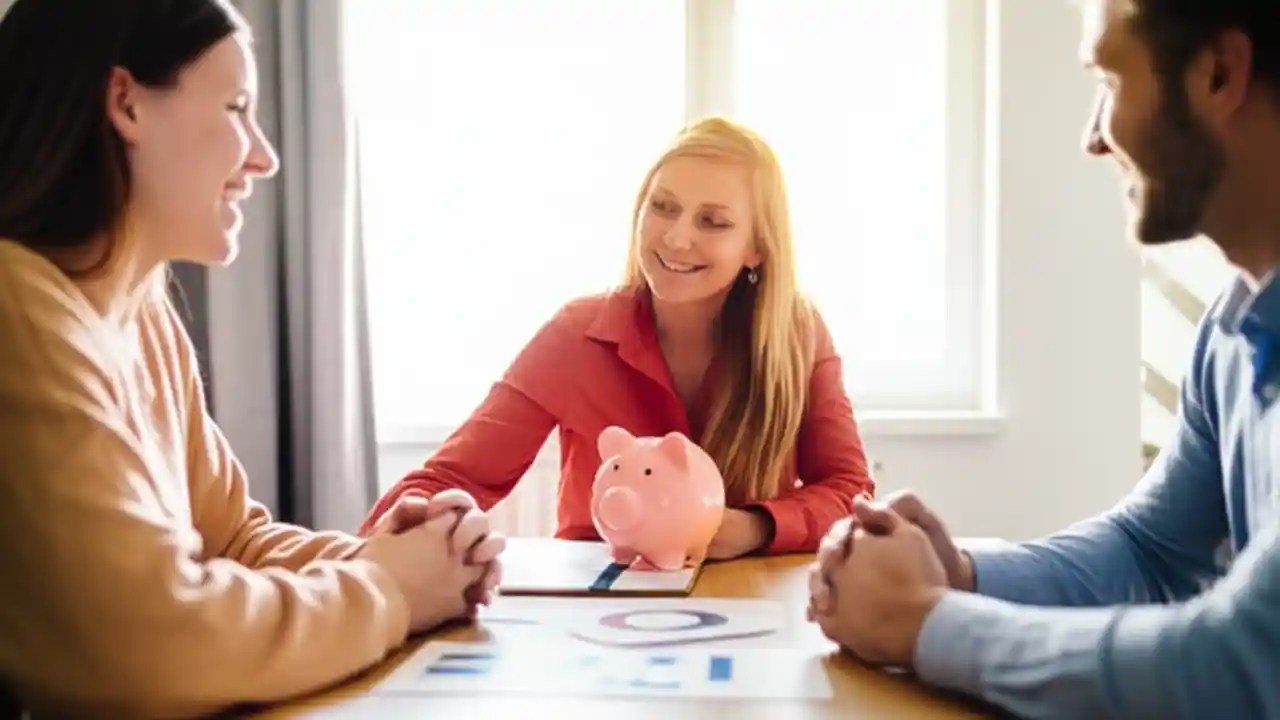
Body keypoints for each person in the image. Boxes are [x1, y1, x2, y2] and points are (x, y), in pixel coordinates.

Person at [0, 1, 503, 717]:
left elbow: (230, 543)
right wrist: (390, 593)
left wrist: (397, 563)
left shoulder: (140, 314)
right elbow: (145, 647)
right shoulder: (16, 311)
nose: (263, 156)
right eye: (236, 106)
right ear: (126, 104)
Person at [806, 0, 1280, 717]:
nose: (1094, 136)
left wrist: (921, 620)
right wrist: (958, 574)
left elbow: (1246, 663)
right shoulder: (1231, 332)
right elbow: (1149, 553)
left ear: (1218, 74)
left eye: (1111, 83)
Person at [365, 117, 874, 559]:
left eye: (713, 221)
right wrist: (361, 563)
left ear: (757, 249)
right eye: (663, 207)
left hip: (748, 599)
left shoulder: (798, 336)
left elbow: (851, 493)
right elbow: (452, 477)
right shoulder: (576, 335)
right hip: (598, 608)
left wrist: (757, 527)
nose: (676, 238)